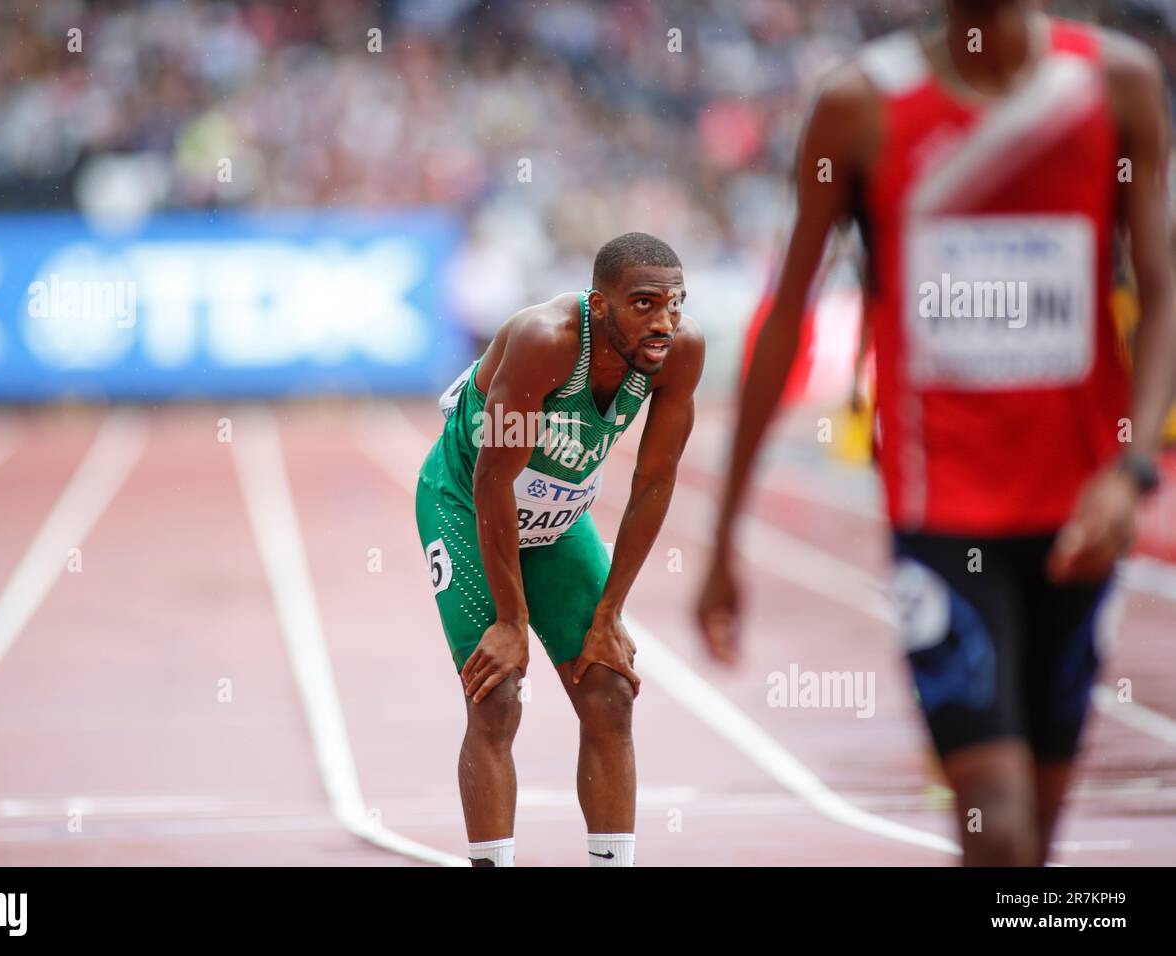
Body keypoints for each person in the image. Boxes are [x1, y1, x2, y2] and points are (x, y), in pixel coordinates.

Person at [697, 0, 1176, 866]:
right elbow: (787, 315)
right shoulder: (862, 104)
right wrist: (724, 531)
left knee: (1034, 840)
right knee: (996, 825)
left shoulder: (1118, 84)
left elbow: (1164, 288)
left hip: (1081, 517)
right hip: (942, 518)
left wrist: (1131, 469)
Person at [416, 232, 704, 866]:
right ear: (599, 306)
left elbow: (654, 481)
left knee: (610, 689)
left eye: (674, 303)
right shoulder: (544, 343)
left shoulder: (679, 352)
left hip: (560, 518)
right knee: (497, 695)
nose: (664, 321)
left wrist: (609, 617)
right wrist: (511, 622)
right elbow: (492, 481)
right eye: (644, 304)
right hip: (468, 504)